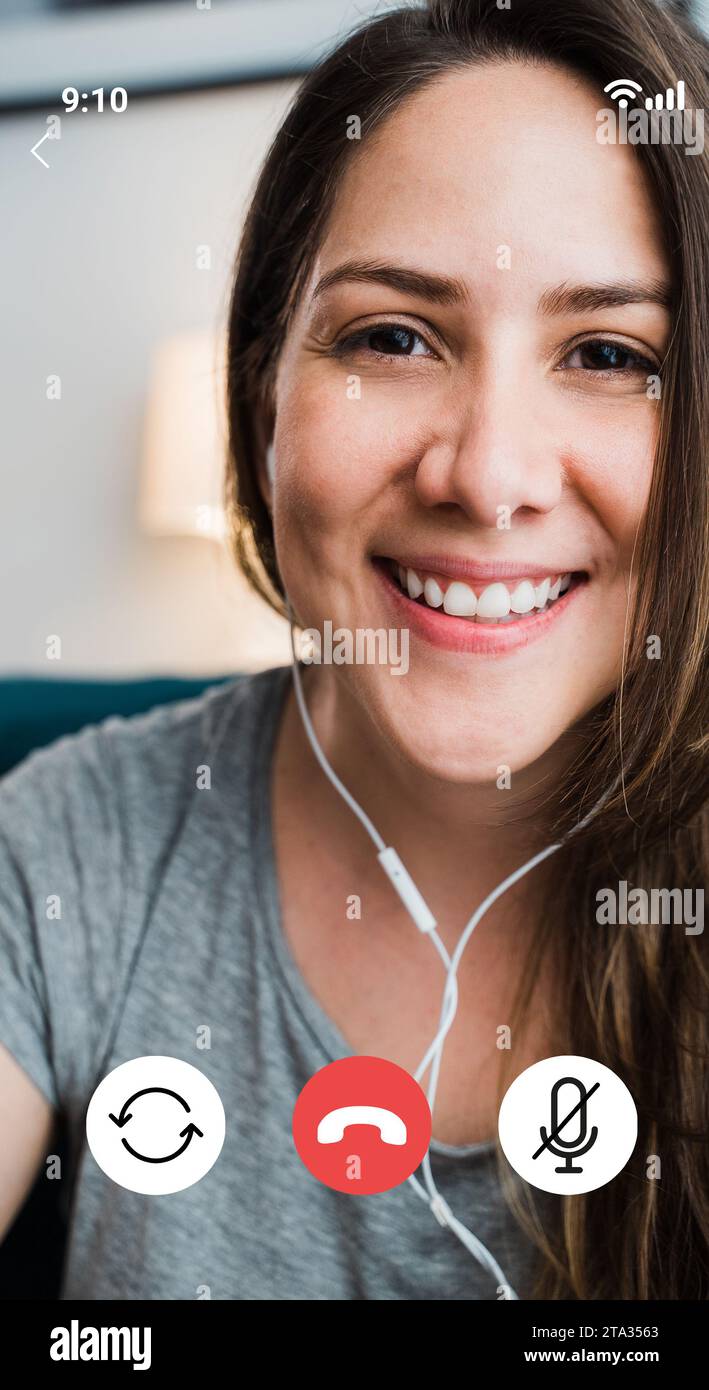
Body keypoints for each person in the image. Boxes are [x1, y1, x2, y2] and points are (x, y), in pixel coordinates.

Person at [1, 0, 707, 1301]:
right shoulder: (67, 845)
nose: (486, 475)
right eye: (392, 336)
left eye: (609, 354)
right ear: (261, 390)